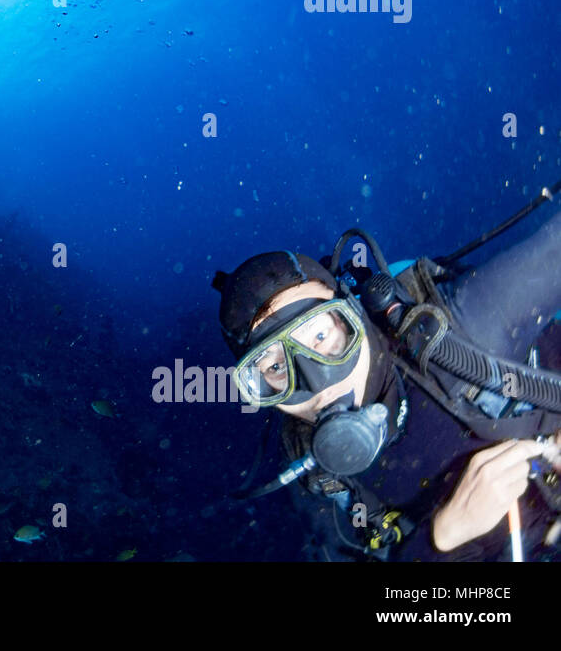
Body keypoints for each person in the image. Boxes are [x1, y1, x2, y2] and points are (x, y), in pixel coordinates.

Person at [213, 209, 561, 561]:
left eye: (320, 335)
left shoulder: (465, 331)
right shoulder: (319, 480)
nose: (316, 382)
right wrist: (441, 537)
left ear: (355, 316)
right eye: (275, 366)